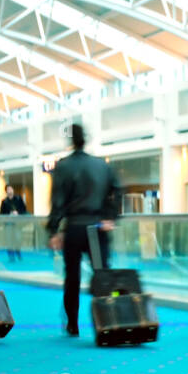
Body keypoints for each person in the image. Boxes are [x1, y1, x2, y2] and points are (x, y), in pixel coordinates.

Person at [46, 124, 120, 337]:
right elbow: (117, 191)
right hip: (98, 226)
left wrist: (53, 230)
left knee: (72, 276)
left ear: (70, 141)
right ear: (85, 139)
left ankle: (72, 324)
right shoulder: (101, 165)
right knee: (102, 274)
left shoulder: (63, 166)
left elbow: (57, 202)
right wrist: (110, 217)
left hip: (74, 227)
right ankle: (107, 320)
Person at [0, 184, 27, 261]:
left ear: (13, 190)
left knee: (18, 238)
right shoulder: (4, 202)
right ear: (6, 191)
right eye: (8, 189)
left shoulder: (18, 199)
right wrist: (9, 214)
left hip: (17, 224)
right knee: (9, 240)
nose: (10, 191)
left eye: (11, 189)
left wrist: (17, 212)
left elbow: (24, 209)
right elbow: (1, 214)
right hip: (8, 224)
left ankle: (18, 252)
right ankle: (11, 256)